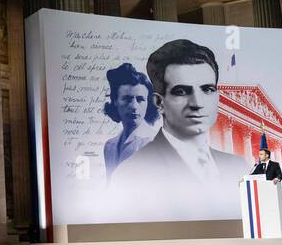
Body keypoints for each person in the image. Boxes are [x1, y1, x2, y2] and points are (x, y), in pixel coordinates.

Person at [109, 40, 248, 203]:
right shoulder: (131, 174)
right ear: (159, 103)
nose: (197, 103)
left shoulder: (238, 166)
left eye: (207, 89)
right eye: (181, 91)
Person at [101, 63, 158, 179]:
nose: (134, 106)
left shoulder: (155, 144)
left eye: (140, 99)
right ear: (115, 100)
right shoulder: (109, 146)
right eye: (127, 99)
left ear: (148, 103)